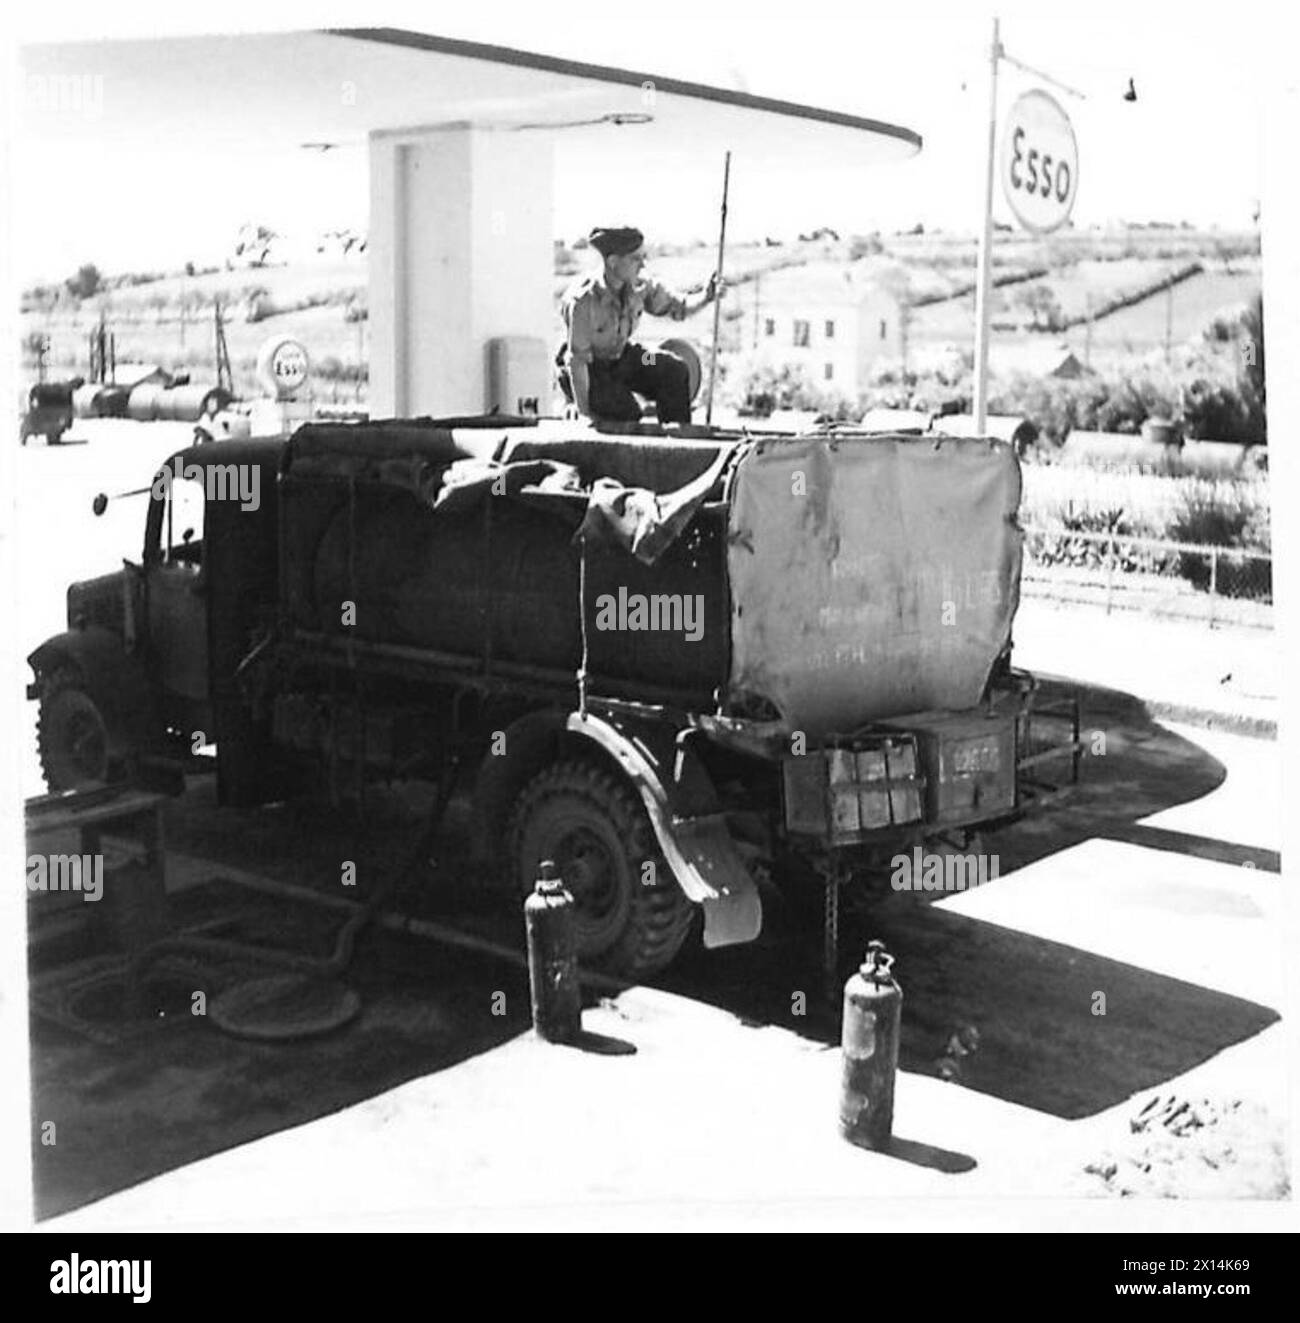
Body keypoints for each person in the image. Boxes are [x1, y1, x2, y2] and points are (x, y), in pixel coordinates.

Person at [558, 226, 721, 425]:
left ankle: (678, 441)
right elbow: (577, 362)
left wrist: (706, 296)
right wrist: (584, 413)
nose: (642, 265)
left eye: (643, 257)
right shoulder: (584, 301)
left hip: (626, 358)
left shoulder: (640, 286)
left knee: (672, 368)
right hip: (590, 368)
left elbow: (679, 307)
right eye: (635, 259)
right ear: (613, 262)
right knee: (625, 412)